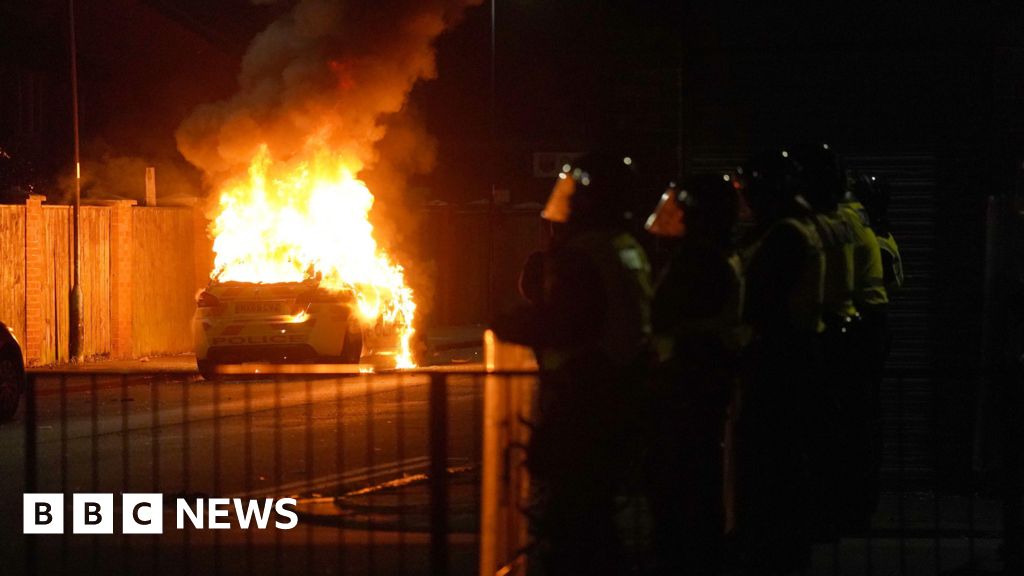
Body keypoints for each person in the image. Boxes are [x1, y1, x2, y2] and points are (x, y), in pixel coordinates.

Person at [491, 152, 653, 576]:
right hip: (620, 389)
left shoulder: (585, 253)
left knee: (572, 520)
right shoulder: (624, 246)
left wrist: (510, 324)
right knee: (596, 517)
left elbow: (567, 322)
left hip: (586, 395)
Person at [644, 174, 745, 574]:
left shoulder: (699, 260)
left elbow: (665, 316)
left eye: (684, 212)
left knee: (682, 478)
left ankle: (687, 558)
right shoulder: (719, 254)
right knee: (700, 475)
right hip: (704, 379)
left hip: (689, 382)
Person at [734, 149, 825, 575]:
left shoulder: (784, 235)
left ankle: (775, 553)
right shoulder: (790, 228)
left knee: (772, 462)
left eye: (748, 189)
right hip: (788, 356)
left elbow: (760, 302)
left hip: (778, 361)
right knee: (781, 462)